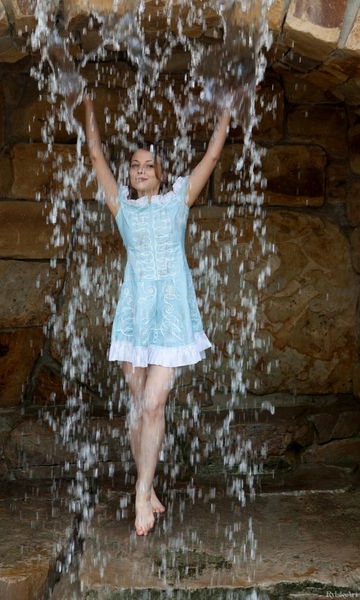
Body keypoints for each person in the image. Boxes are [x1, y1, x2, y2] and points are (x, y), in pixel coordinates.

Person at [83, 93, 231, 536]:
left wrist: (228, 108)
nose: (141, 170)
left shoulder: (178, 200)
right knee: (137, 406)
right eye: (135, 165)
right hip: (133, 316)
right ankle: (146, 487)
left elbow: (212, 155)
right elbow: (95, 155)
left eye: (148, 165)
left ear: (161, 173)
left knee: (153, 403)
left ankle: (141, 491)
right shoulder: (121, 207)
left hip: (171, 317)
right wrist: (89, 109)